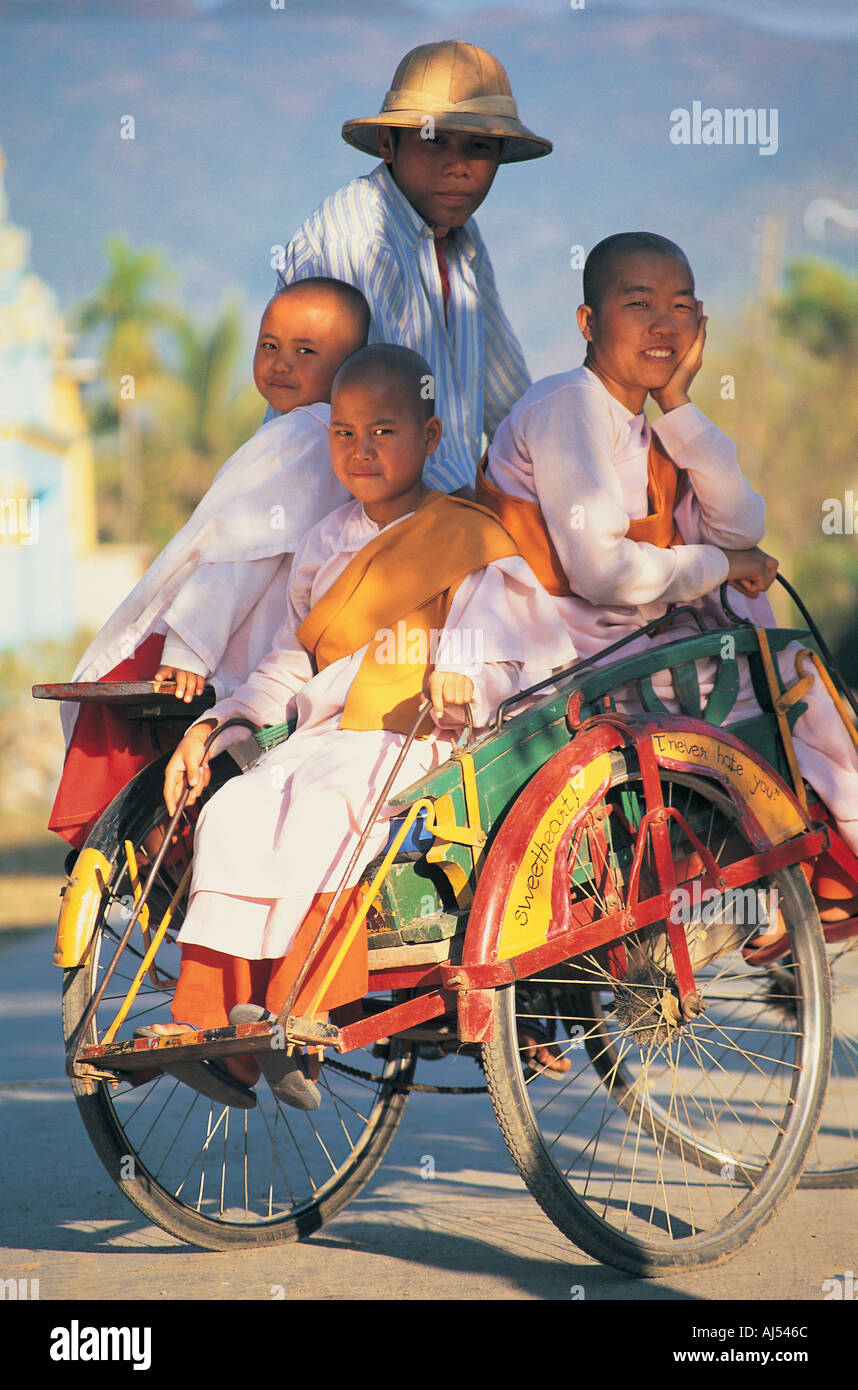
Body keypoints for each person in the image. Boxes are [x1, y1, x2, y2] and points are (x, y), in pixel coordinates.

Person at [138, 344, 575, 1107]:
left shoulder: (470, 538)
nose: (362, 450)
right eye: (345, 434)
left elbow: (520, 656)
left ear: (431, 436)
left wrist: (464, 681)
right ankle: (218, 1029)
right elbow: (288, 665)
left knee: (325, 805)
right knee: (235, 810)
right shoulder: (324, 543)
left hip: (424, 743)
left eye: (384, 432)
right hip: (329, 734)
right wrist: (219, 724)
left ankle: (302, 1014)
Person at [478, 231, 858, 928]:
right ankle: (802, 876)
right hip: (565, 656)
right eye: (639, 303)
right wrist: (722, 567)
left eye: (680, 305)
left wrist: (680, 405)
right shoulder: (568, 406)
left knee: (791, 666)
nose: (664, 324)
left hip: (631, 643)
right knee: (783, 682)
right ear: (588, 323)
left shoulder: (644, 424)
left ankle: (812, 875)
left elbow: (741, 527)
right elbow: (604, 571)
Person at [49, 278, 370, 850]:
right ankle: (153, 848)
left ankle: (138, 848)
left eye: (306, 351)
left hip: (217, 637)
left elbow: (235, 554)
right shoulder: (334, 439)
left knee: (110, 697)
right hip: (277, 647)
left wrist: (188, 650)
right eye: (268, 345)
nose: (280, 364)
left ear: (349, 367)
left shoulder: (299, 434)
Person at [272, 39, 552, 492]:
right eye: (434, 140)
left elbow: (511, 407)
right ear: (388, 143)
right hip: (343, 522)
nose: (457, 167)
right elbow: (375, 426)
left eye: (479, 147)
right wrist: (473, 519)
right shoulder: (362, 239)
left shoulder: (463, 240)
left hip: (441, 514)